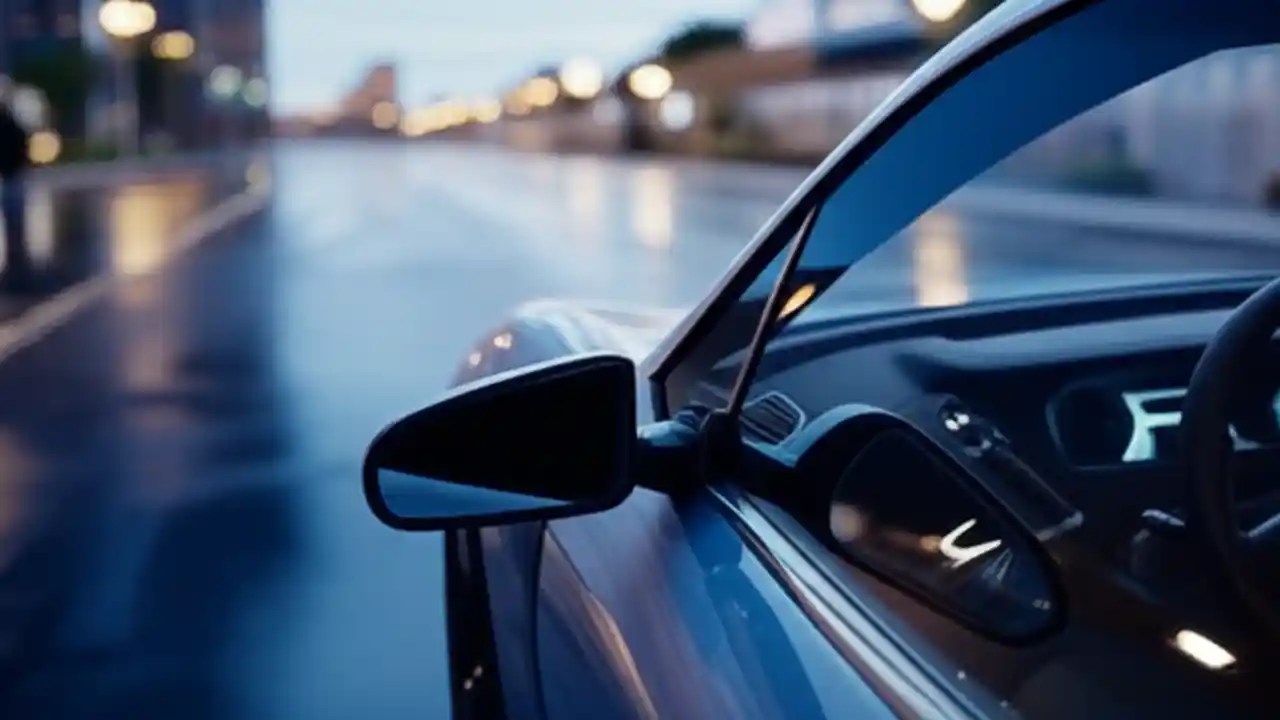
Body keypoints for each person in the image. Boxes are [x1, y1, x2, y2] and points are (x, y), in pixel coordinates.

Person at [0, 98, 30, 293]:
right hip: (13, 175)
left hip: (9, 175)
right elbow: (23, 148)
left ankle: (15, 251)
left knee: (12, 213)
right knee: (15, 215)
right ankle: (16, 248)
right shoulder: (15, 128)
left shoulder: (8, 129)